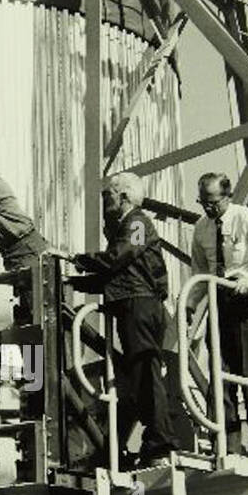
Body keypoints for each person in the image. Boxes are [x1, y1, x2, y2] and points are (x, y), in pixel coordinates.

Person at [72, 171, 176, 468]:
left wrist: (78, 260)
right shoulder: (129, 227)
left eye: (108, 195)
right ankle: (149, 442)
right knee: (138, 376)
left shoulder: (138, 223)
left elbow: (119, 257)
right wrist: (74, 281)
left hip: (139, 307)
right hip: (133, 303)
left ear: (124, 196)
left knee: (145, 372)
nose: (104, 201)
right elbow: (114, 273)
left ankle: (161, 442)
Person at [189, 171, 248, 460]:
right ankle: (228, 447)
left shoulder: (246, 218)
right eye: (203, 203)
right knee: (223, 377)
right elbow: (200, 271)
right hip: (222, 305)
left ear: (228, 197)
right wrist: (191, 303)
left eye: (213, 203)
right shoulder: (201, 229)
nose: (208, 209)